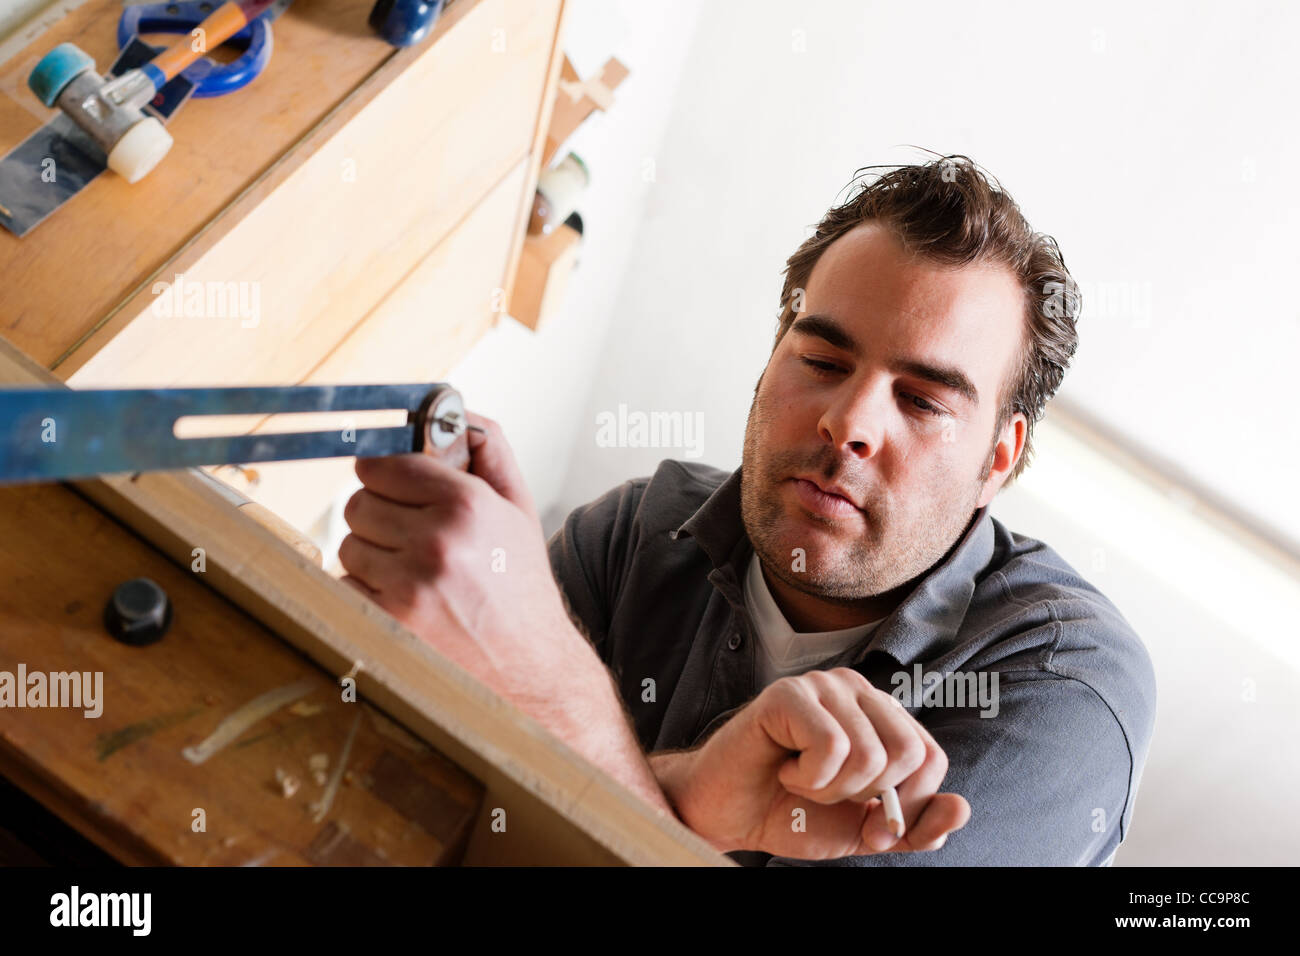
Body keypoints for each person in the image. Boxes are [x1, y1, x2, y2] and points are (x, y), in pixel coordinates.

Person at [337, 155, 1157, 866]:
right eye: (823, 359)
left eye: (921, 400)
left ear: (998, 461)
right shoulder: (634, 533)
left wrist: (544, 675)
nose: (849, 423)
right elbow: (441, 810)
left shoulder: (1066, 684)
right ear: (770, 361)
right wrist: (685, 799)